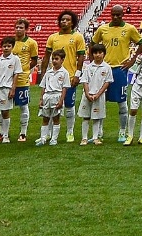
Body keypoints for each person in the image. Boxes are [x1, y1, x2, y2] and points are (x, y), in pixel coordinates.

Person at [92, 6, 142, 139]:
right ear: (110, 14)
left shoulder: (129, 29)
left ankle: (122, 131)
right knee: (100, 101)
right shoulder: (102, 29)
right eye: (113, 15)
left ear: (122, 15)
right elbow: (93, 44)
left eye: (118, 15)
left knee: (122, 103)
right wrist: (93, 63)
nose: (115, 17)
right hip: (104, 69)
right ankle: (99, 132)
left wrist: (132, 60)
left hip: (120, 69)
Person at [47, 11, 87, 144]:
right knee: (52, 106)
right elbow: (47, 57)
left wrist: (77, 74)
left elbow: (81, 57)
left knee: (69, 105)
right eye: (62, 20)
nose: (64, 22)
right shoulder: (52, 37)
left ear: (72, 22)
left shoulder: (77, 37)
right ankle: (51, 133)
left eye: (67, 20)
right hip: (54, 78)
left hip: (69, 77)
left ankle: (70, 132)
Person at [6, 18, 41, 142]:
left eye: (21, 27)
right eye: (17, 27)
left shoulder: (31, 43)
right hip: (7, 79)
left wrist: (24, 69)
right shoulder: (10, 42)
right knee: (4, 106)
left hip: (22, 79)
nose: (18, 29)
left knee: (23, 106)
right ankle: (4, 133)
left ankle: (23, 133)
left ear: (26, 29)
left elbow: (34, 60)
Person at [77, 45, 112, 145]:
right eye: (95, 53)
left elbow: (107, 82)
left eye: (100, 53)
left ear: (104, 54)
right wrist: (88, 94)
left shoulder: (107, 67)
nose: (98, 55)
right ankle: (84, 138)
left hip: (99, 96)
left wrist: (98, 94)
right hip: (87, 96)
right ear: (92, 54)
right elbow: (84, 81)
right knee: (86, 117)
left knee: (97, 117)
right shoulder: (88, 67)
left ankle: (95, 137)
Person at [38, 52, 72, 146]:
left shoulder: (64, 73)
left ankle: (54, 139)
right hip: (47, 96)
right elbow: (43, 86)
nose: (54, 61)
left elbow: (65, 88)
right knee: (45, 118)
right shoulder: (48, 72)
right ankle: (43, 138)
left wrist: (61, 100)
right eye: (53, 59)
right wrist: (41, 99)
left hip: (57, 95)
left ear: (62, 60)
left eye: (56, 59)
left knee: (56, 118)